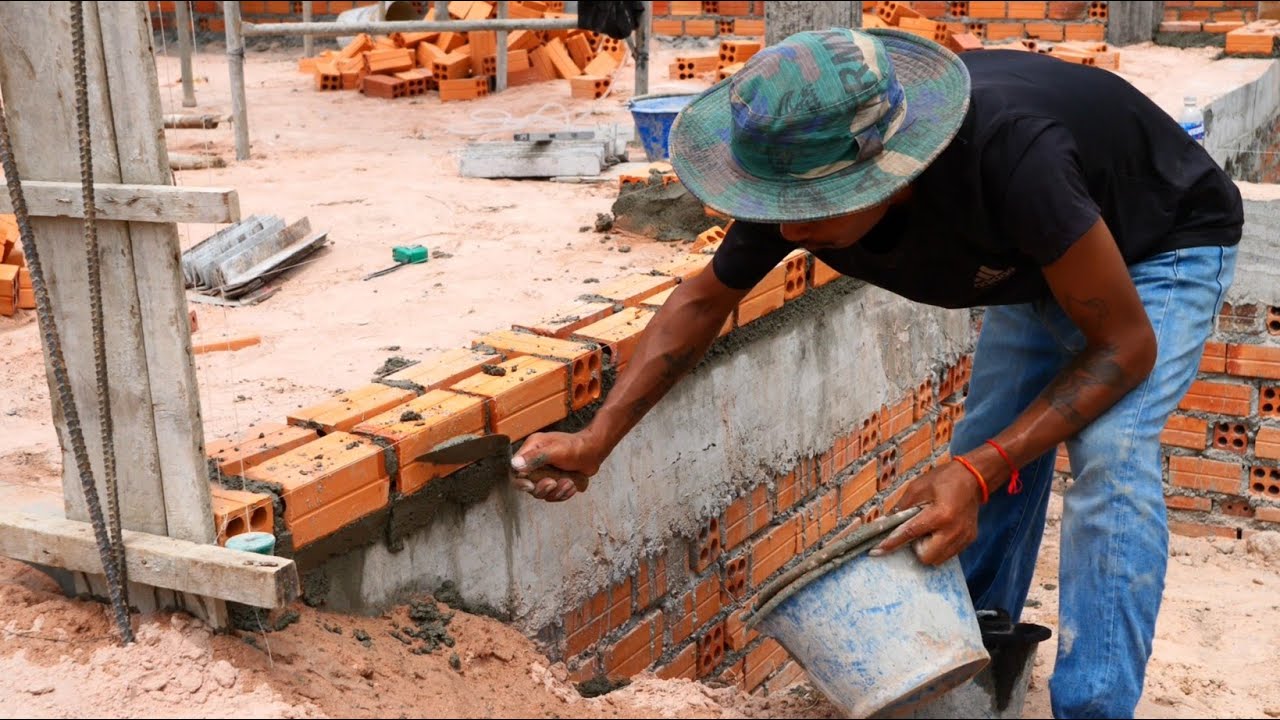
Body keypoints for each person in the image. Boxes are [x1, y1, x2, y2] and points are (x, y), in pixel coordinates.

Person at [511, 27, 1243, 719]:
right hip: (1033, 262)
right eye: (783, 208)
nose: (791, 231)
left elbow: (1123, 347)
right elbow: (703, 301)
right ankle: (976, 666)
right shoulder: (803, 164)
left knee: (1108, 455)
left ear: (893, 173)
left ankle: (1094, 706)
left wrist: (984, 470)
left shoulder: (1015, 159)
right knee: (986, 447)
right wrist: (596, 439)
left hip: (1156, 244)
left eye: (815, 210)